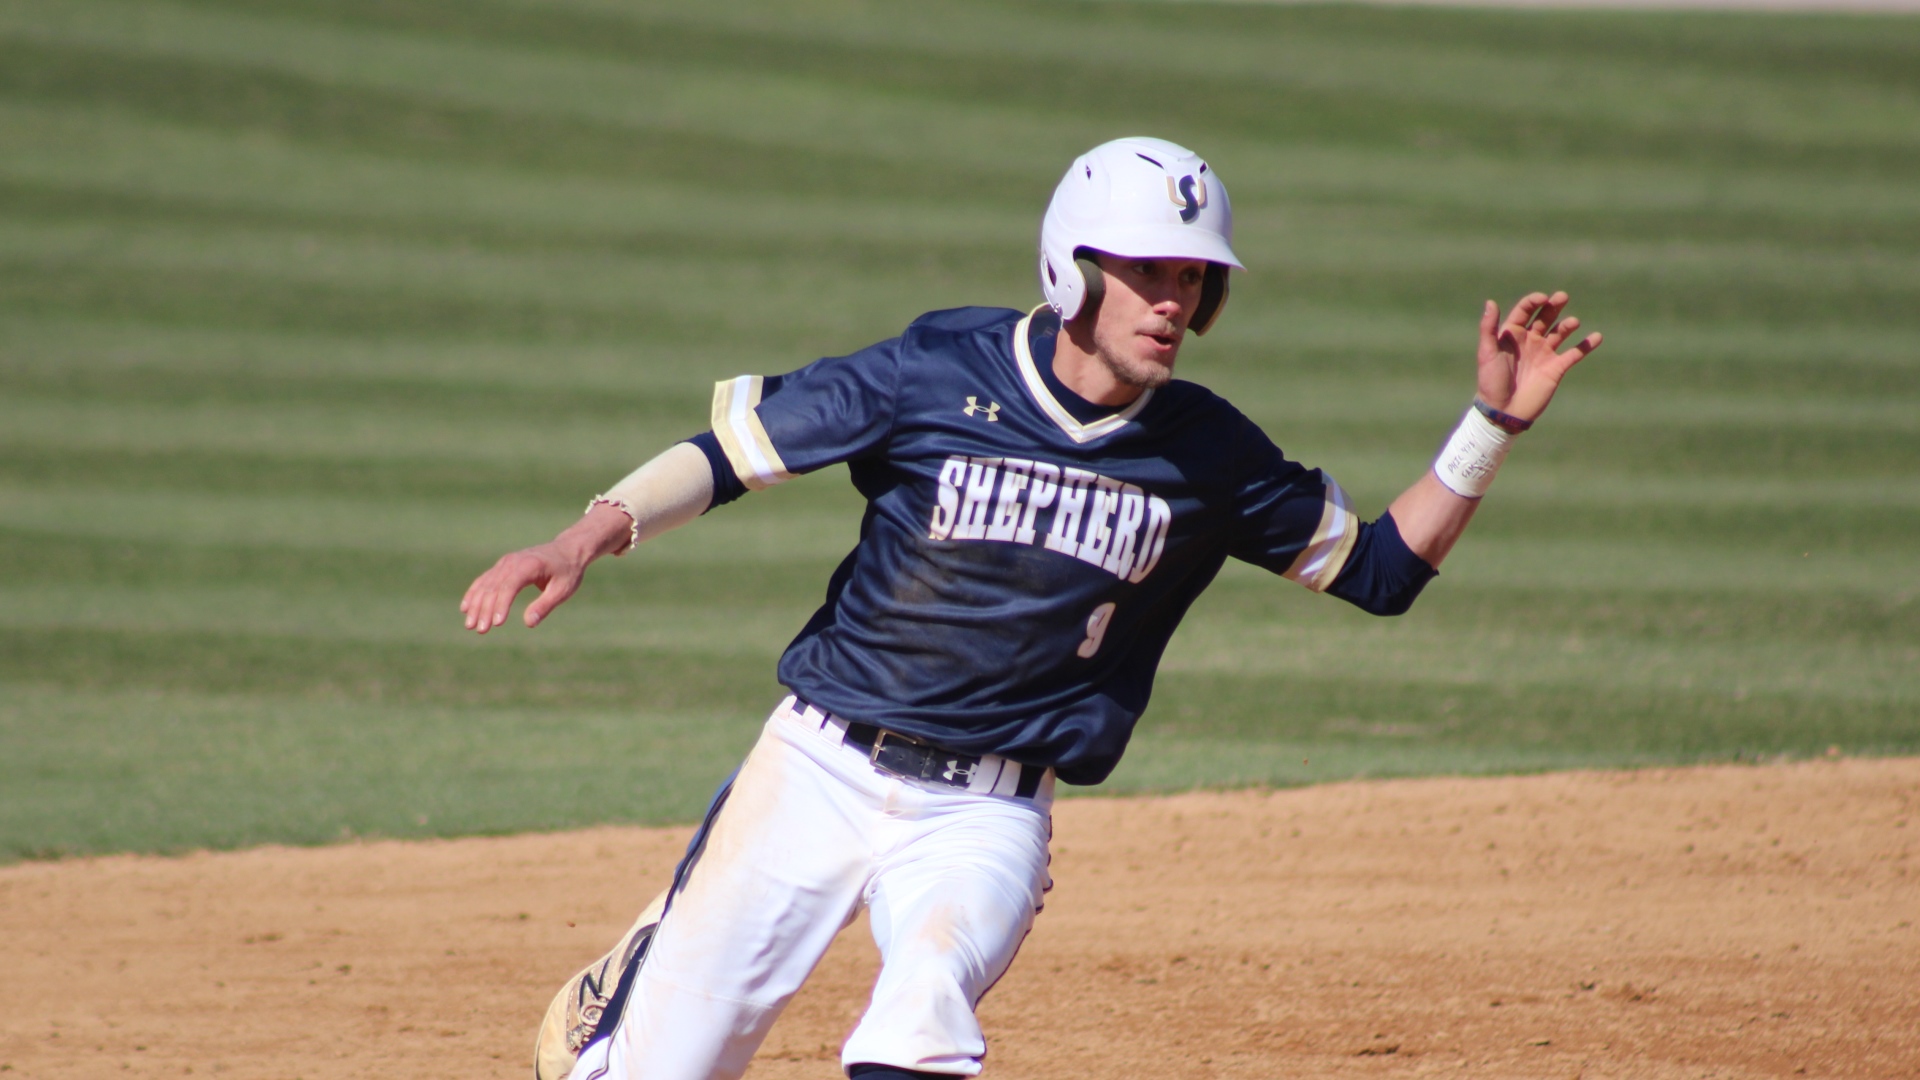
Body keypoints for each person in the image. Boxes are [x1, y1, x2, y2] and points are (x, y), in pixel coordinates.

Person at [460, 136, 1601, 1080]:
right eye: (1149, 271)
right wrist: (582, 535)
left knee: (919, 1020)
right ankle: (645, 983)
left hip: (987, 817)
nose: (1173, 299)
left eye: (1193, 279)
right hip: (814, 771)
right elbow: (733, 455)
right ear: (1075, 266)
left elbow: (1383, 572)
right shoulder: (934, 368)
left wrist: (1490, 426)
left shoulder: (1207, 451)